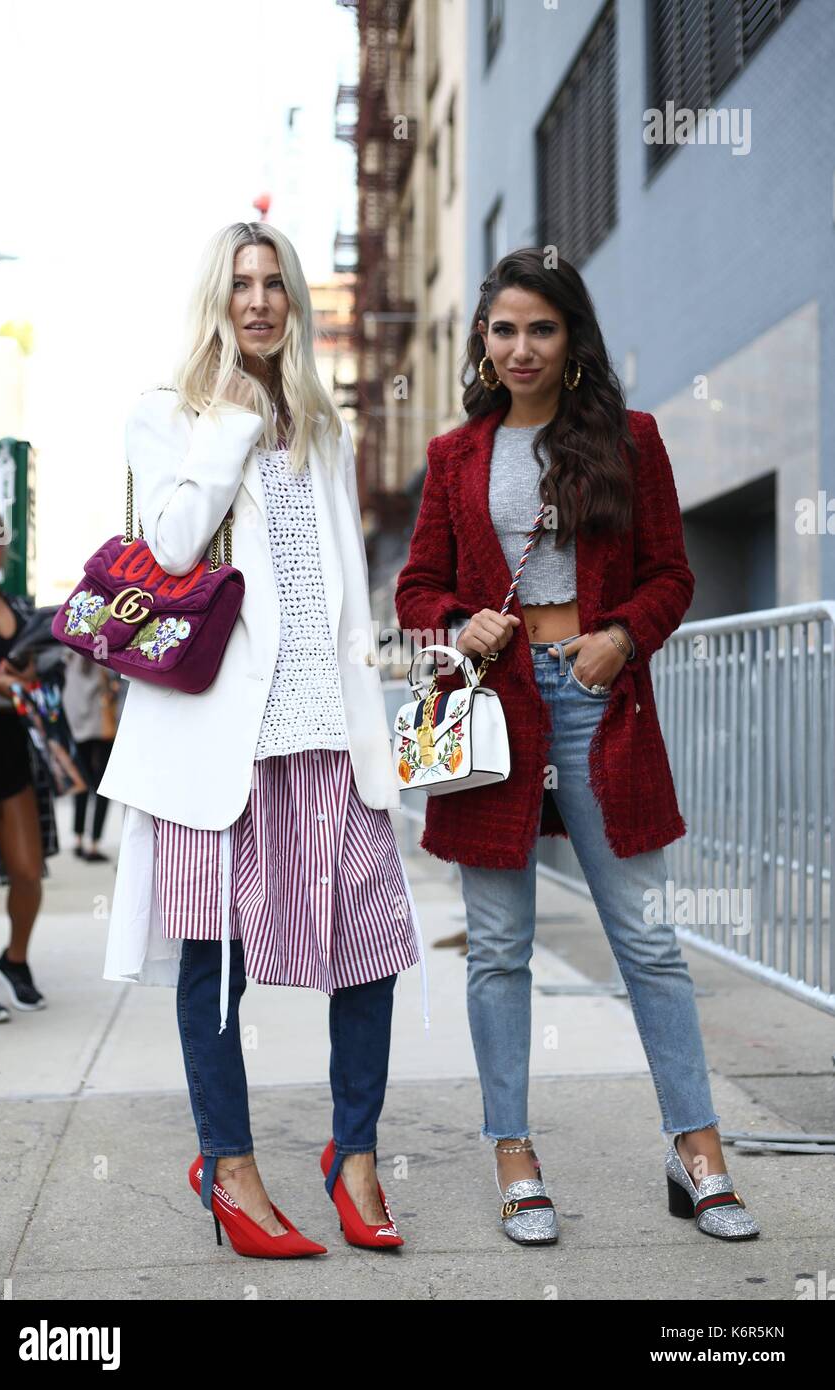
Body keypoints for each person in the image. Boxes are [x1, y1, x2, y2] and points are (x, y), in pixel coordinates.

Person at [394, 248, 760, 1245]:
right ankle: (513, 1154)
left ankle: (697, 1151)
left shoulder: (630, 440)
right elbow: (417, 587)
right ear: (483, 341)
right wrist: (457, 619)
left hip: (599, 701)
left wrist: (621, 637)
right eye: (505, 329)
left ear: (572, 341)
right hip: (493, 709)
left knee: (646, 940)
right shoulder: (454, 457)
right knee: (498, 948)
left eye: (542, 329)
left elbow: (670, 574)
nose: (522, 348)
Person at [94, 221, 428, 1259]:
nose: (258, 300)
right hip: (217, 741)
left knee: (368, 940)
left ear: (293, 300)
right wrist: (230, 423)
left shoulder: (322, 428)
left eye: (274, 282)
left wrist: (374, 712)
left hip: (327, 728)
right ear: (217, 297)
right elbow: (170, 546)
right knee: (213, 956)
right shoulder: (166, 413)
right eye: (240, 282)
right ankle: (230, 1168)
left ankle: (354, 1154)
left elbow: (341, 591)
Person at [0, 503, 49, 1022]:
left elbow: (36, 674)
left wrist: (25, 678)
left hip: (8, 744)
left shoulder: (19, 606)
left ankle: (14, 958)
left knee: (27, 870)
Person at [61, 651, 121, 862]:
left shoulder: (69, 650)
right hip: (101, 724)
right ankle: (94, 843)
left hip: (77, 725)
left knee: (81, 783)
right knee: (103, 784)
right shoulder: (103, 648)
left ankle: (78, 839)